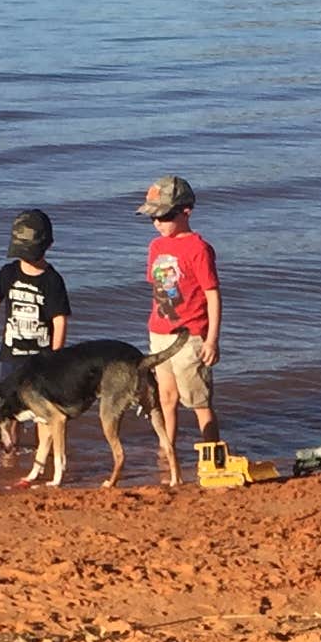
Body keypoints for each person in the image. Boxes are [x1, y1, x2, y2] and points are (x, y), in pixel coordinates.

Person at [137, 174, 222, 485]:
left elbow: (212, 294)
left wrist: (211, 339)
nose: (158, 223)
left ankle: (212, 455)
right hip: (160, 332)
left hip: (191, 336)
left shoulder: (199, 248)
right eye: (154, 218)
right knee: (165, 398)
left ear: (185, 212)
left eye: (165, 216)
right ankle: (167, 453)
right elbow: (158, 288)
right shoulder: (156, 246)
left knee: (198, 400)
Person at [0, 208, 71, 370]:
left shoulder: (52, 280)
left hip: (41, 361)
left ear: (48, 246)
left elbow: (59, 322)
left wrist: (55, 359)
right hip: (11, 356)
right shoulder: (8, 273)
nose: (26, 259)